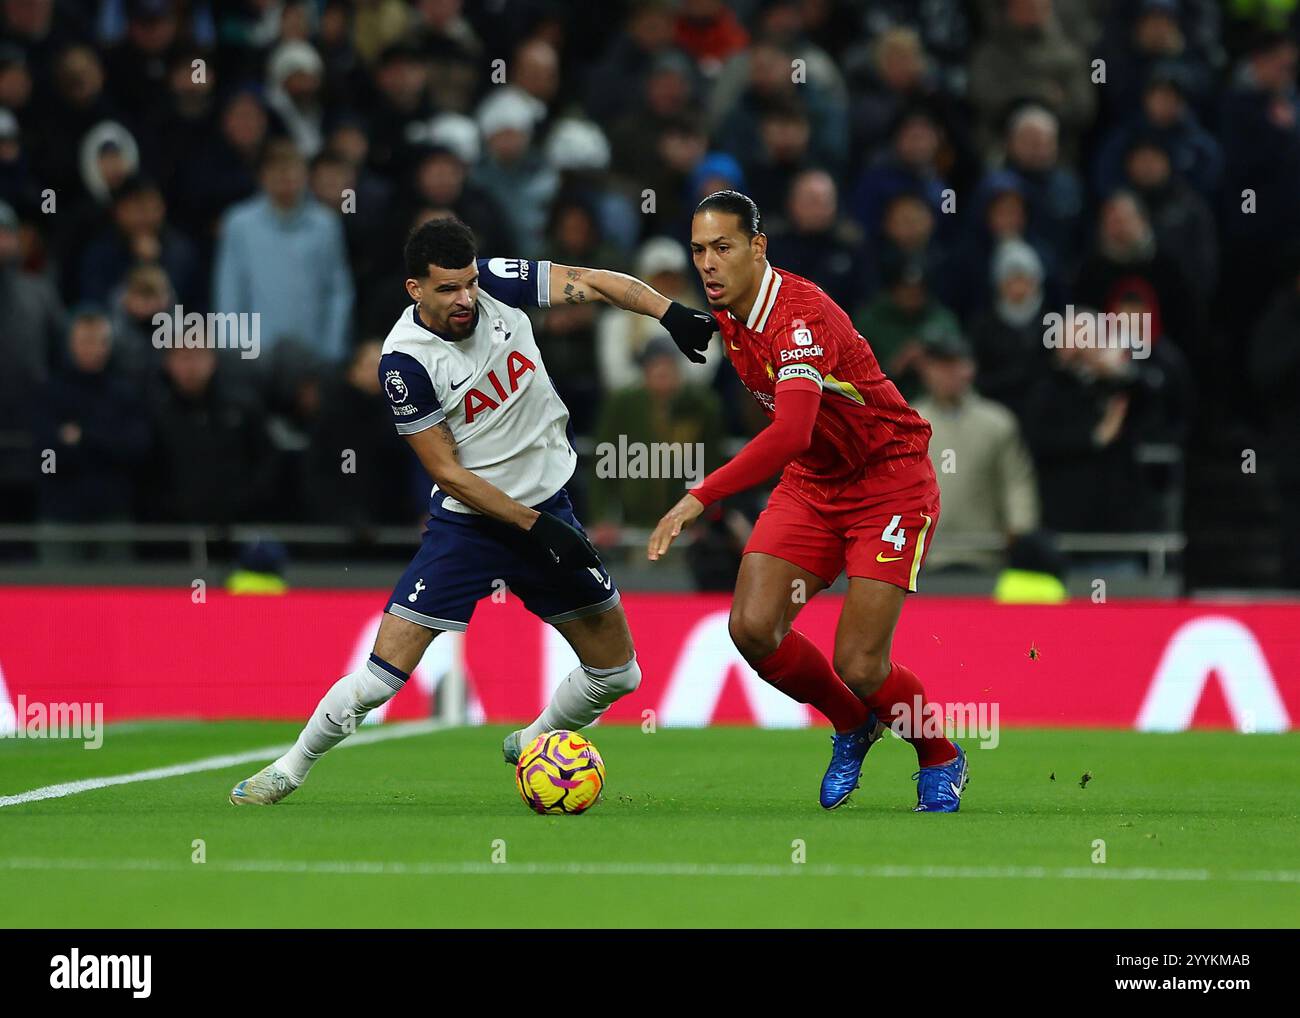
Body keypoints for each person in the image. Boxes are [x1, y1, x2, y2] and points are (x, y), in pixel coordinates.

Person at [230, 216, 719, 805]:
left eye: (469, 283)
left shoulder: (498, 283)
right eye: (448, 288)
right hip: (471, 523)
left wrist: (667, 312)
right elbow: (446, 472)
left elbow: (592, 282)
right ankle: (288, 768)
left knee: (619, 675)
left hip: (550, 507)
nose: (467, 298)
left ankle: (533, 740)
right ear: (415, 289)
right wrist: (533, 527)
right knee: (379, 679)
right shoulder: (404, 363)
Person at [647, 190, 967, 813]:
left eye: (723, 248)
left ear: (757, 247)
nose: (708, 264)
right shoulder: (730, 313)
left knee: (862, 663)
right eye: (698, 250)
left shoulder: (797, 315)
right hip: (815, 482)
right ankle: (853, 724)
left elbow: (790, 430)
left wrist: (699, 497)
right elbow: (800, 444)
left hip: (888, 480)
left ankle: (938, 754)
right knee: (753, 627)